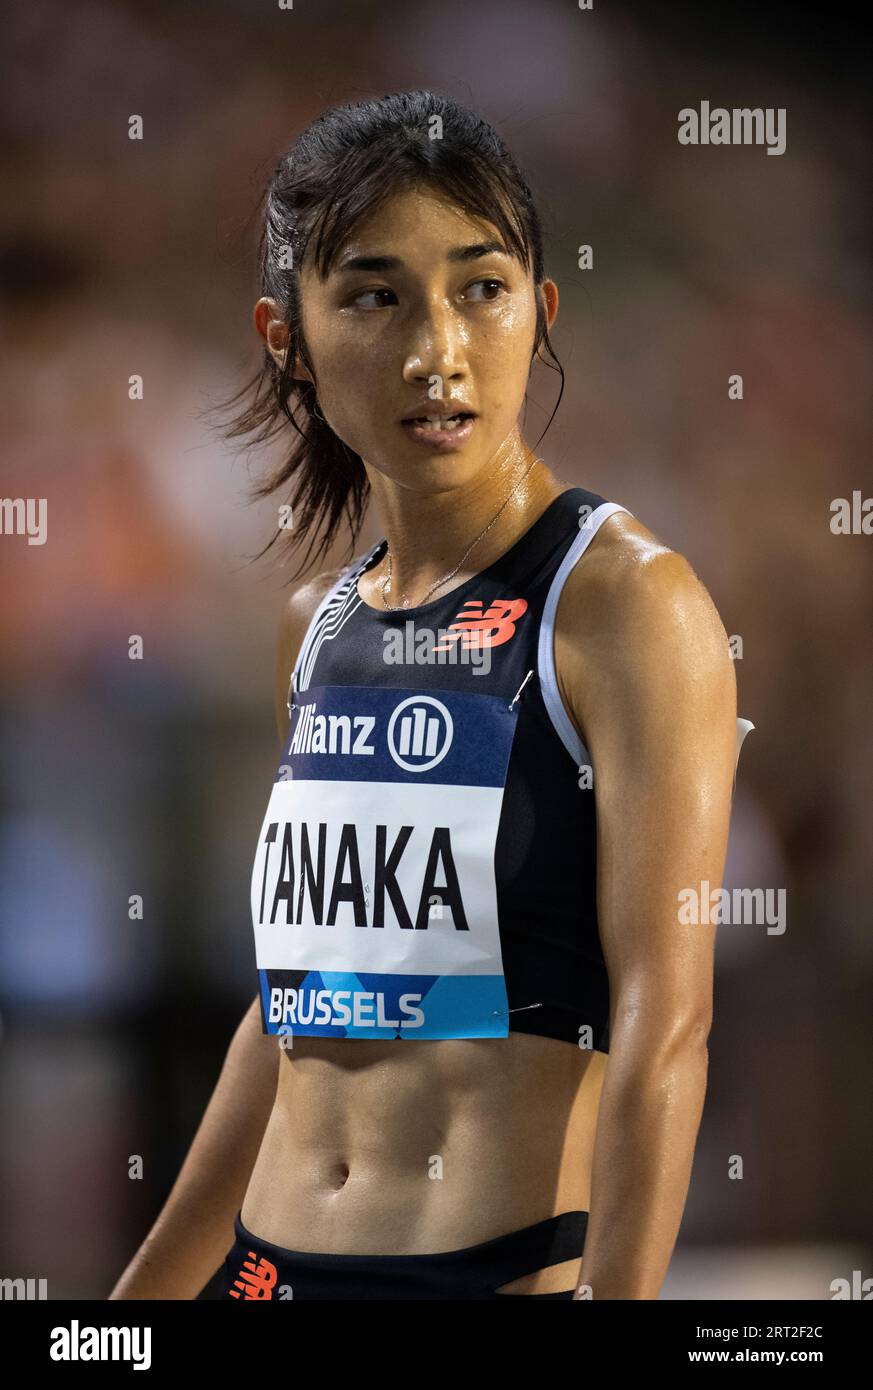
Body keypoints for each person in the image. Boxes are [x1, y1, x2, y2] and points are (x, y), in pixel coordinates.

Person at [109, 90, 744, 1302]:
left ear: (541, 310)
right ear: (284, 333)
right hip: (268, 1271)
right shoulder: (321, 623)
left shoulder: (624, 605)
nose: (436, 347)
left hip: (486, 1270)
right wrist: (135, 1306)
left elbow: (670, 1021)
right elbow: (289, 1011)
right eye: (374, 293)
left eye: (481, 287)